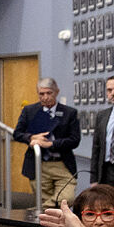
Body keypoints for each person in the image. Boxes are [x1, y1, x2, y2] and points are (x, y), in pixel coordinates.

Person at [11, 77, 82, 205]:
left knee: (67, 199)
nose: (45, 97)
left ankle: (41, 210)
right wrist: (31, 138)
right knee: (46, 204)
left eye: (49, 93)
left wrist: (51, 144)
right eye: (41, 94)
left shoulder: (69, 113)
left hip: (62, 164)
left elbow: (75, 140)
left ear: (57, 92)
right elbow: (17, 134)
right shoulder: (29, 111)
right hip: (38, 163)